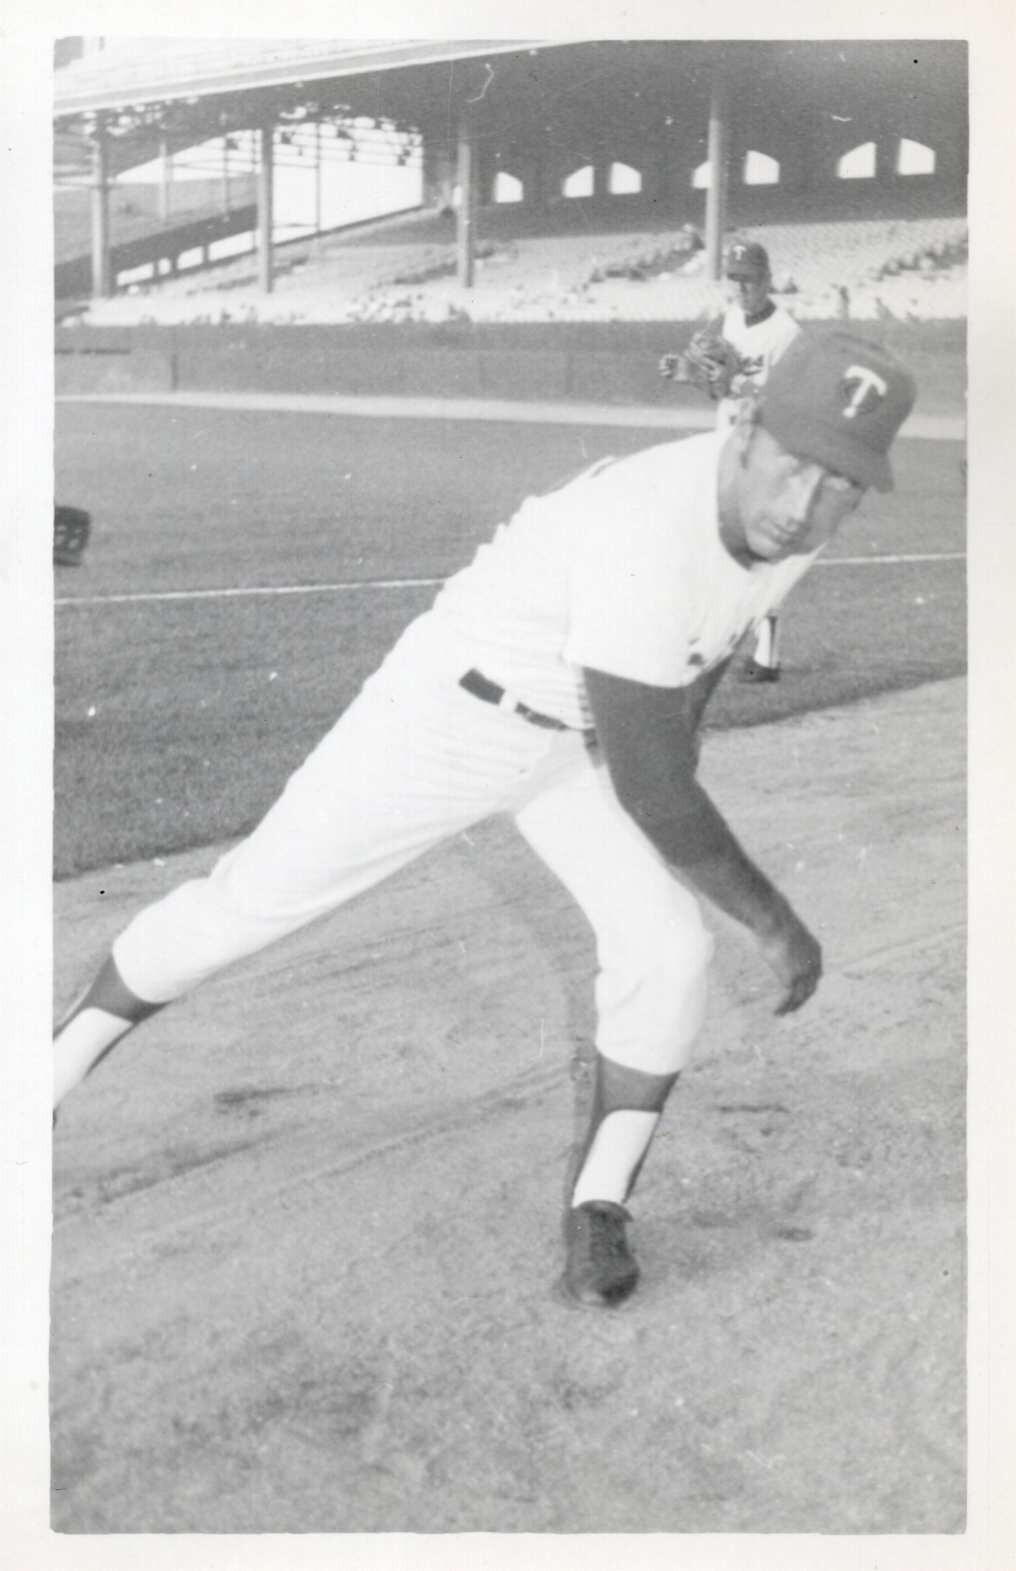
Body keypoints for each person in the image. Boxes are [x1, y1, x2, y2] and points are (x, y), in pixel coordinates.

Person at [53, 331, 916, 1309]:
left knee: (668, 948)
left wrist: (682, 744)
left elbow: (699, 661)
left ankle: (598, 1203)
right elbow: (655, 786)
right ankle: (45, 1080)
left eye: (838, 485)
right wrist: (771, 918)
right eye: (797, 465)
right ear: (745, 427)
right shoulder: (648, 522)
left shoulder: (785, 526)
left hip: (580, 738)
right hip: (445, 720)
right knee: (245, 907)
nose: (806, 503)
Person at [661, 237, 801, 682]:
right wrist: (688, 374)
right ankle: (717, 643)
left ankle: (765, 657)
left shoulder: (787, 333)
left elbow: (789, 401)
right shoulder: (727, 322)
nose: (741, 288)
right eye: (734, 279)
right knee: (714, 546)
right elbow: (717, 386)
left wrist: (738, 382)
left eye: (749, 279)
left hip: (764, 449)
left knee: (755, 557)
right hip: (725, 446)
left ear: (768, 281)